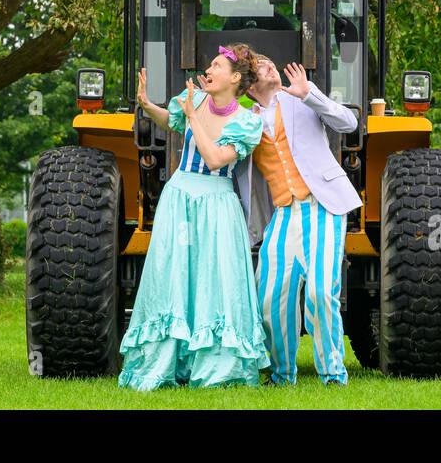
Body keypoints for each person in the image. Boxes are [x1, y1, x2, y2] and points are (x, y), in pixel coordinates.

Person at [119, 44, 269, 390]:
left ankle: (216, 368)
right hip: (180, 196)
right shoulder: (193, 101)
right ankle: (164, 364)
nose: (209, 70)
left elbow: (216, 159)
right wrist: (147, 106)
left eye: (217, 65)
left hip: (217, 201)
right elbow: (173, 122)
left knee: (214, 279)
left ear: (234, 79)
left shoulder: (247, 122)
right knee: (173, 276)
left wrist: (193, 117)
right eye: (211, 64)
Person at [238, 55, 360, 386]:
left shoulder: (300, 98)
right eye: (262, 65)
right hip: (282, 214)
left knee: (320, 293)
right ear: (250, 85)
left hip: (323, 206)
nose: (270, 65)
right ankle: (281, 375)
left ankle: (333, 375)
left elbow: (348, 123)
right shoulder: (245, 121)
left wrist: (310, 94)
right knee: (270, 298)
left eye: (267, 61)